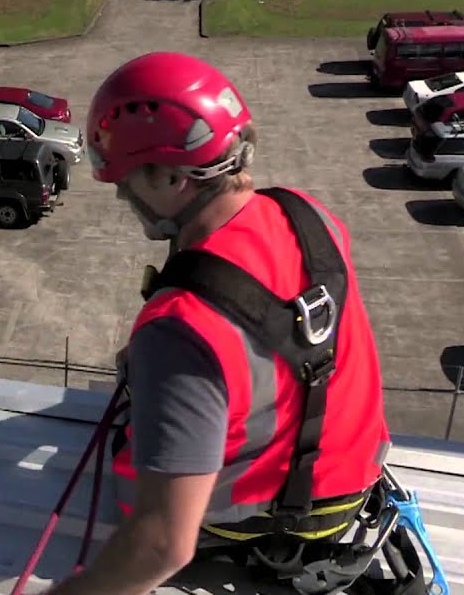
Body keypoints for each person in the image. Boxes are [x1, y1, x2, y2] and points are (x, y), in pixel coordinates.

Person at [41, 52, 397, 595]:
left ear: (172, 177)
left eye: (126, 177)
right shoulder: (306, 215)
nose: (120, 194)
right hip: (349, 482)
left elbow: (162, 544)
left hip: (253, 523)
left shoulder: (180, 329)